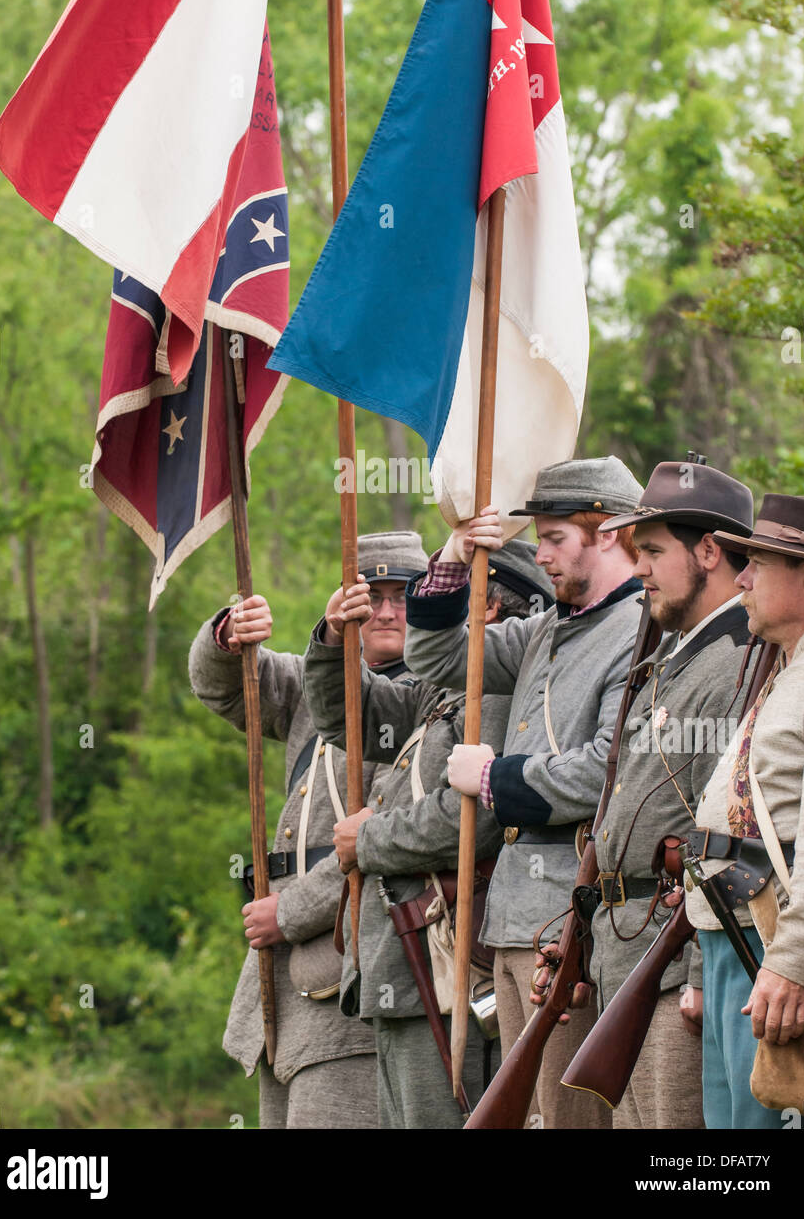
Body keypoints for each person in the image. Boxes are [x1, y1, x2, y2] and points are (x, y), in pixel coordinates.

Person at [406, 457, 644, 1128]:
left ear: (609, 533)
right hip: (514, 914)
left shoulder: (640, 630)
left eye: (553, 538)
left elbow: (605, 766)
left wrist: (491, 778)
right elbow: (437, 658)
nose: (538, 555)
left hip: (572, 916)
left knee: (569, 1118)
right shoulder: (547, 628)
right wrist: (452, 560)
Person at [303, 540, 553, 1128]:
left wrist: (370, 840)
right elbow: (348, 717)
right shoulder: (446, 690)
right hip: (410, 959)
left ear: (488, 611)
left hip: (448, 960)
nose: (417, 619)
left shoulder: (493, 693)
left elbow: (474, 816)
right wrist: (334, 639)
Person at [188, 530, 428, 1129]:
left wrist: (289, 912)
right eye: (373, 594)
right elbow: (219, 683)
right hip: (283, 989)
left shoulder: (436, 699)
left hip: (355, 970)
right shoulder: (308, 686)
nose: (388, 610)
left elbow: (385, 834)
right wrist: (229, 633)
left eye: (405, 594)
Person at [552, 461, 755, 1129]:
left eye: (654, 551)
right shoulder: (676, 659)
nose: (638, 568)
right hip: (627, 958)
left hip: (672, 970)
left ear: (708, 551)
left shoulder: (732, 664)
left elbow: (729, 836)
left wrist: (700, 971)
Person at [683, 491, 804, 1129]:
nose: (740, 578)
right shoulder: (791, 669)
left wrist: (795, 961)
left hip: (773, 941)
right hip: (732, 935)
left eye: (759, 564)